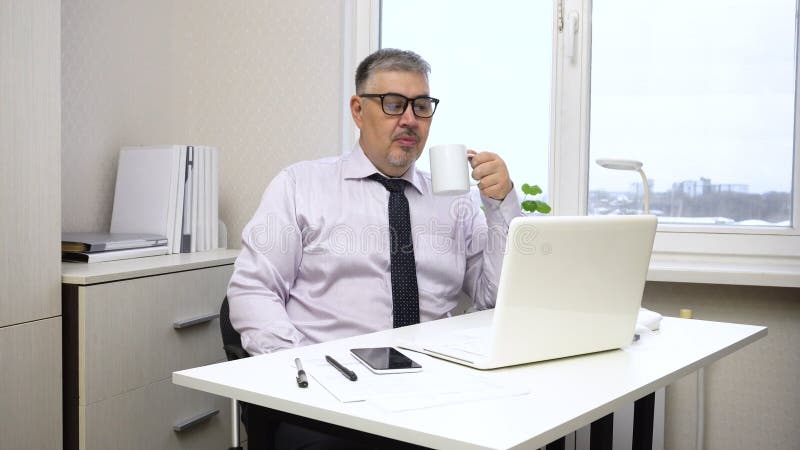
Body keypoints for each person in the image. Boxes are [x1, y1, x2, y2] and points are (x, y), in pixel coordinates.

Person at [227, 48, 521, 449]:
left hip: (436, 387)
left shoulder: (456, 202)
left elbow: (493, 300)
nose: (410, 119)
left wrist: (501, 205)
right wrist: (301, 371)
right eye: (393, 104)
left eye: (421, 107)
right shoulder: (299, 187)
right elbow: (253, 290)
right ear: (358, 110)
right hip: (332, 391)